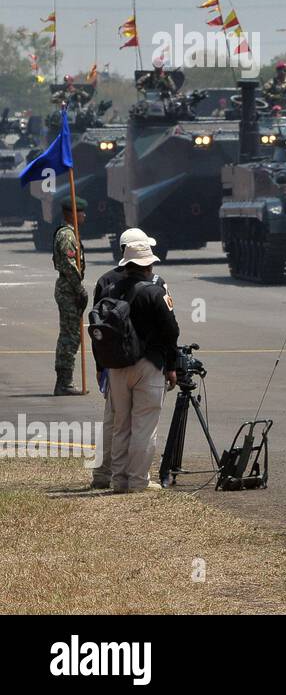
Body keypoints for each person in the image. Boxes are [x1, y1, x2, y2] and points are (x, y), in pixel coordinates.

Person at [95, 231, 180, 493]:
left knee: (121, 425)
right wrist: (173, 365)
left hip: (117, 366)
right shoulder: (154, 292)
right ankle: (138, 481)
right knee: (144, 425)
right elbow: (171, 330)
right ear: (148, 265)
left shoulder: (109, 288)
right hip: (148, 366)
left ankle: (119, 480)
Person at [87, 228, 153, 489]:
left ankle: (104, 474)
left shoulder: (105, 281)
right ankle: (132, 475)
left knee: (112, 420)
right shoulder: (152, 281)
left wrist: (99, 364)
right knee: (140, 423)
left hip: (111, 359)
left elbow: (97, 326)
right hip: (142, 361)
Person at [52, 196, 87, 396]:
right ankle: (64, 382)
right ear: (73, 213)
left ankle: (65, 381)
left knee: (71, 335)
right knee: (69, 336)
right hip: (68, 289)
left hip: (69, 288)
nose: (84, 215)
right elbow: (68, 265)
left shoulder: (71, 233)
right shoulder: (67, 236)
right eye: (81, 212)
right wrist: (79, 289)